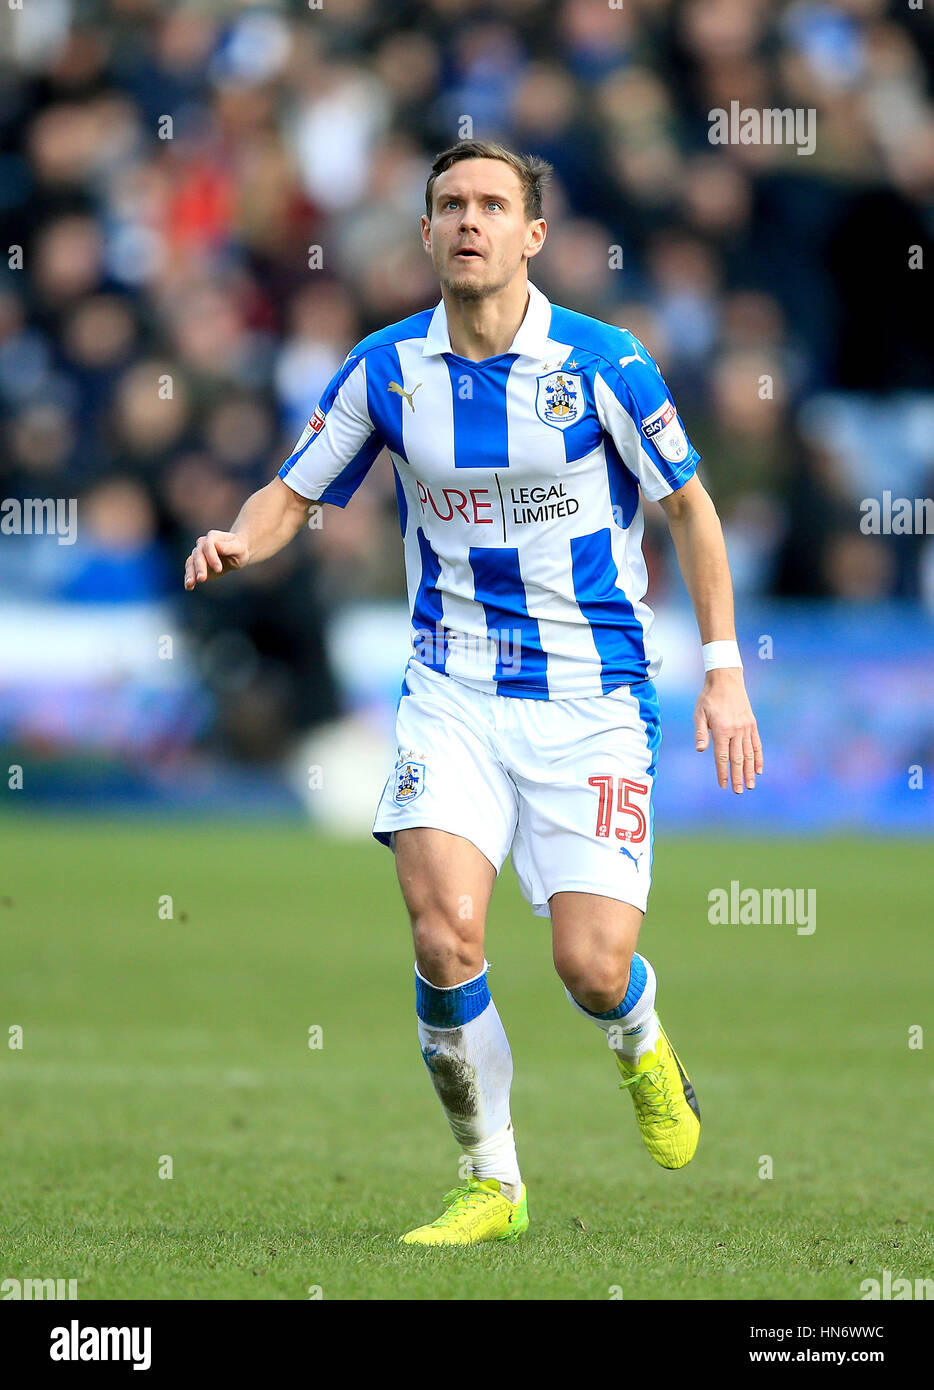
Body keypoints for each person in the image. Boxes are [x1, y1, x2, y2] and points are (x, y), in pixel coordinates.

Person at [185, 140, 763, 1247]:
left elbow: (690, 509)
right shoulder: (385, 369)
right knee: (445, 935)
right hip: (449, 692)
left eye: (492, 205)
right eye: (449, 203)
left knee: (589, 966)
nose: (468, 221)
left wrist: (727, 671)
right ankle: (491, 1180)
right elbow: (292, 491)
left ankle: (636, 1034)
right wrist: (238, 539)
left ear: (531, 235)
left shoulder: (606, 362)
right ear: (424, 230)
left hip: (592, 699)